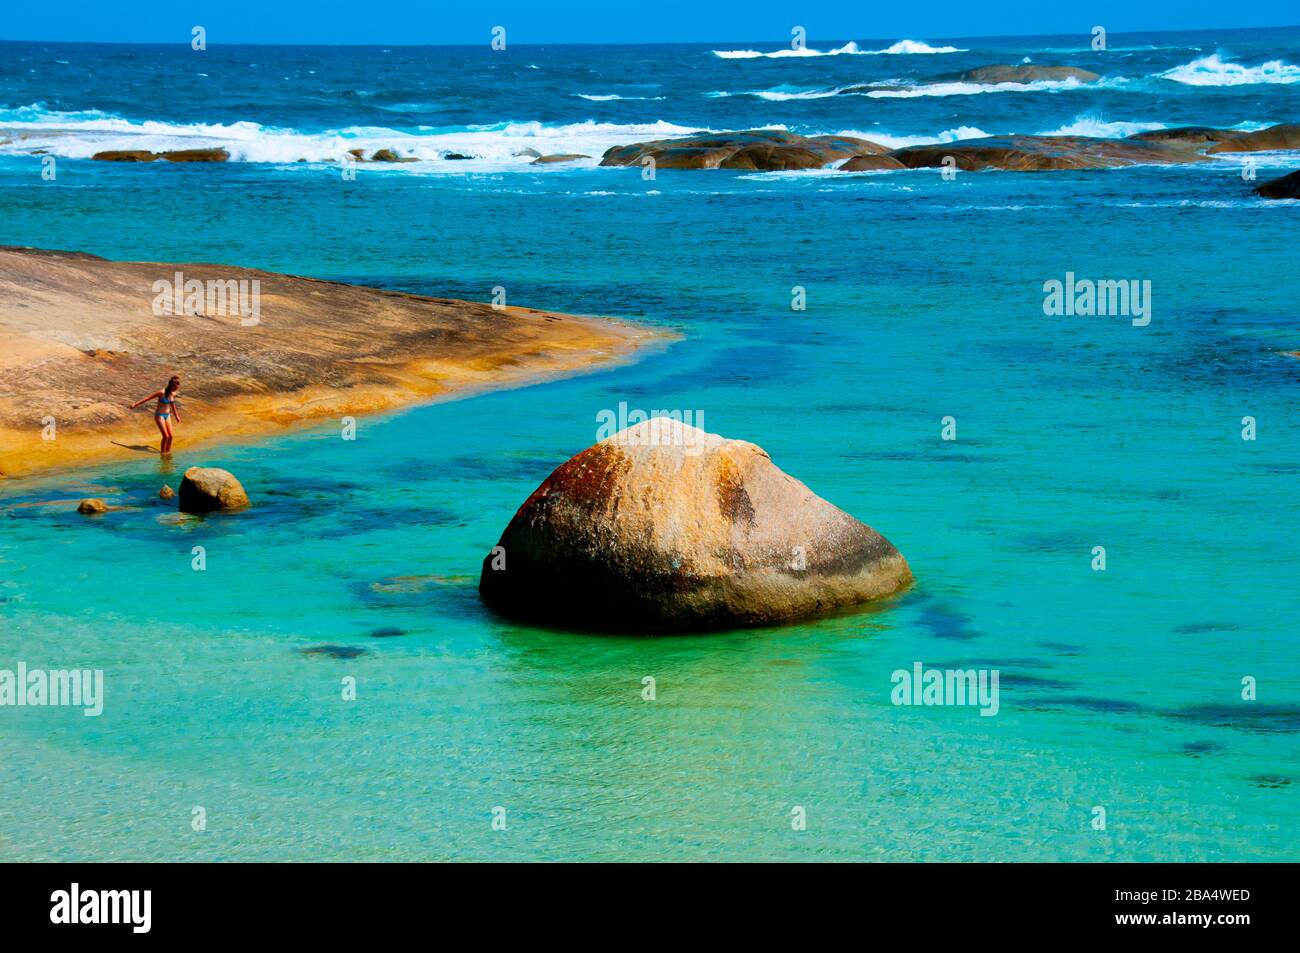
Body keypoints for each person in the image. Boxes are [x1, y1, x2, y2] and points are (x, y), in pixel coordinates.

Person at [129, 375, 182, 454]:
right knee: (165, 436)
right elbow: (148, 398)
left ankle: (167, 453)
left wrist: (176, 415)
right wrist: (135, 404)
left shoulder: (173, 394)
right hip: (159, 415)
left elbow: (172, 405)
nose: (175, 390)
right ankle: (162, 454)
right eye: (174, 388)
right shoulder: (161, 392)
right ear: (170, 385)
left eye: (176, 388)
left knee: (170, 437)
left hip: (167, 416)